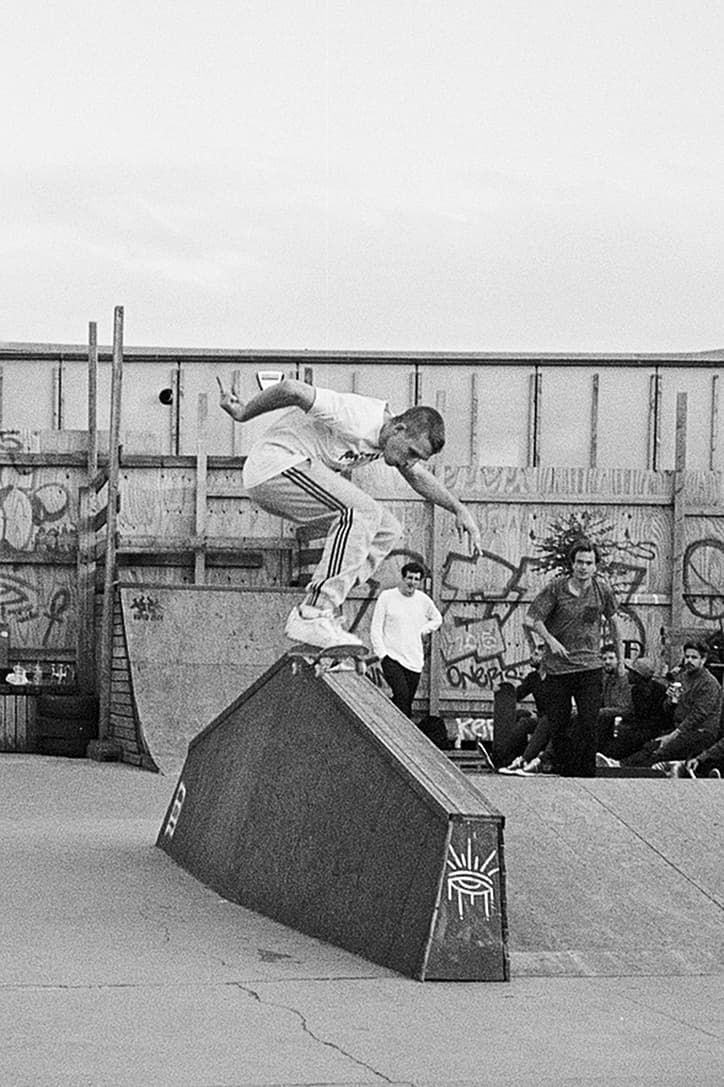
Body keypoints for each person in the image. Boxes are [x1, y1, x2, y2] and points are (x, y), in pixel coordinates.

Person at [218, 376, 481, 648]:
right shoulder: (357, 416)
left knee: (386, 530)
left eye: (417, 458)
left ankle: (325, 611)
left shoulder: (391, 440)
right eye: (411, 452)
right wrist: (242, 413)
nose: (409, 462)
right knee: (361, 511)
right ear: (399, 428)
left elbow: (417, 477)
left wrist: (458, 509)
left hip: (293, 476)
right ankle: (313, 612)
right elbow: (291, 389)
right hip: (275, 466)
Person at [525, 539, 624, 777]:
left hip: (589, 666)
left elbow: (614, 623)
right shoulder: (557, 588)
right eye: (579, 562)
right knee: (558, 725)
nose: (583, 567)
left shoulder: (602, 590)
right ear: (572, 564)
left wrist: (620, 662)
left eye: (589, 563)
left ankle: (587, 774)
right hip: (559, 668)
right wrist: (550, 640)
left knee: (589, 722)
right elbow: (532, 619)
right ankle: (564, 773)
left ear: (595, 566)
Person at [601, 641, 723, 771]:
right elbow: (666, 708)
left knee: (662, 750)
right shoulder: (682, 678)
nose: (689, 661)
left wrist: (674, 734)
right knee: (651, 746)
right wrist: (671, 701)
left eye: (694, 658)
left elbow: (698, 715)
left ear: (703, 660)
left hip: (700, 731)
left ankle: (627, 768)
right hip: (679, 728)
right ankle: (620, 765)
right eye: (687, 657)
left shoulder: (709, 683)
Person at [369, 561, 442, 718]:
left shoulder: (423, 600)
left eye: (416, 579)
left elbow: (437, 619)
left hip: (414, 660)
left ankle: (389, 725)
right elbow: (376, 628)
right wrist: (382, 654)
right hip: (392, 657)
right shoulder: (387, 597)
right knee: (401, 695)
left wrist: (423, 630)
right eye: (409, 578)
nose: (412, 583)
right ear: (402, 578)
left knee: (406, 702)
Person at [497, 647, 553, 774]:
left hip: (554, 719)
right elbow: (518, 694)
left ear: (545, 658)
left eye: (536, 655)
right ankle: (504, 757)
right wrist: (502, 692)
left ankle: (525, 759)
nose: (531, 657)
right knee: (523, 720)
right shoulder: (533, 678)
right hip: (541, 718)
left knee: (544, 720)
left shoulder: (554, 678)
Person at [599, 656, 667, 760]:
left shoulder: (659, 690)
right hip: (639, 727)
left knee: (627, 740)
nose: (628, 674)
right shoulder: (636, 691)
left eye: (631, 672)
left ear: (638, 676)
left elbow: (659, 718)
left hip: (652, 730)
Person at [595, 642, 634, 752]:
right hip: (608, 716)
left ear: (618, 660)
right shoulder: (607, 678)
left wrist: (599, 711)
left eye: (611, 658)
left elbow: (625, 709)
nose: (607, 662)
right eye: (604, 659)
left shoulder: (625, 678)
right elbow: (601, 700)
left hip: (620, 719)